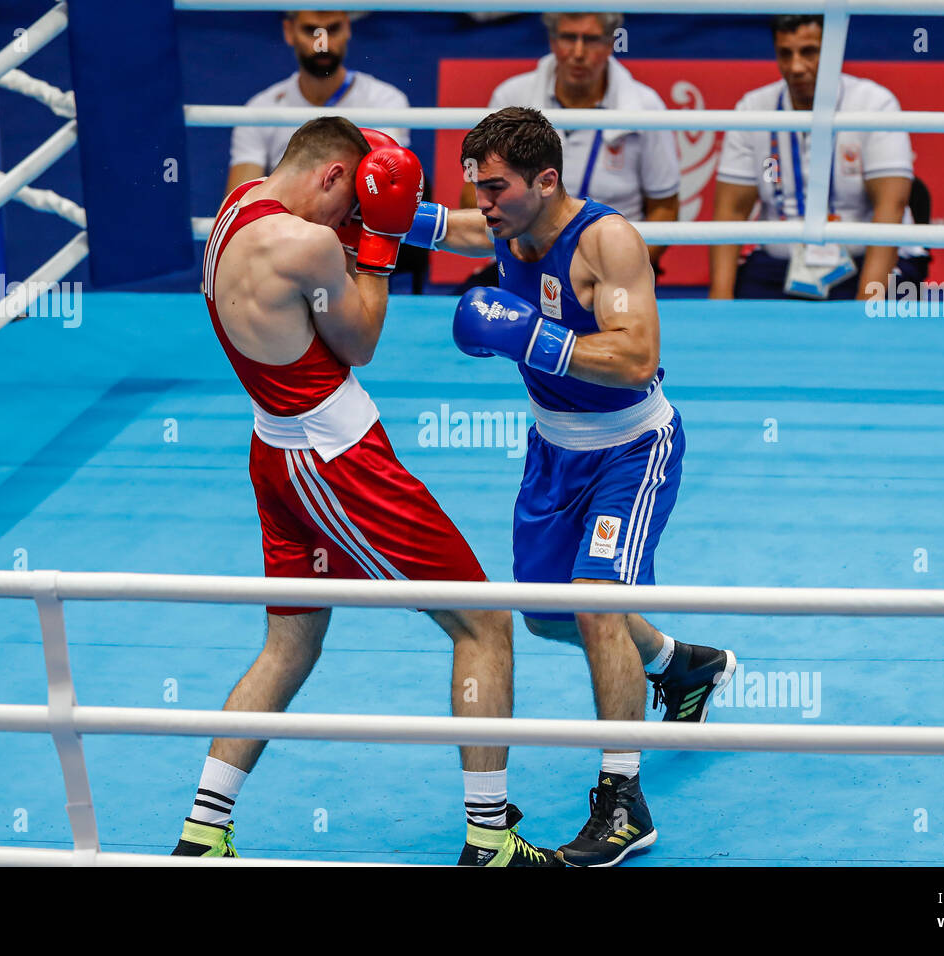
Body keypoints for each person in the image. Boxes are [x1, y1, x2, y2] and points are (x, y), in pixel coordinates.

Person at [174, 117, 557, 867]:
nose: (349, 219)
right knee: (483, 622)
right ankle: (491, 842)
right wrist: (378, 244)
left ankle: (203, 831)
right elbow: (363, 340)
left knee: (290, 643)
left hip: (275, 453)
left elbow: (430, 226)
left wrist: (505, 220)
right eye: (350, 202)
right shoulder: (308, 244)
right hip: (336, 462)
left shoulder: (242, 210)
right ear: (328, 177)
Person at [404, 107, 736, 867]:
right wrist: (386, 219)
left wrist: (530, 337)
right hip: (554, 453)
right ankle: (681, 664)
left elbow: (633, 358)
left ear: (546, 179)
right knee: (552, 619)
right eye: (476, 189)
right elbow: (457, 230)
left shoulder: (606, 241)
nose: (483, 203)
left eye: (496, 188)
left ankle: (623, 802)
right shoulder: (504, 222)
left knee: (595, 605)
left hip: (630, 448)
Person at [709, 14, 929, 301]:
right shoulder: (753, 108)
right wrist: (720, 306)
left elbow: (890, 208)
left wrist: (864, 311)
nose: (796, 66)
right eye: (785, 54)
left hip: (868, 263)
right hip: (782, 267)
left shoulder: (876, 104)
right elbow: (731, 212)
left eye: (809, 52)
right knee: (741, 331)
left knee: (880, 319)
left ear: (835, 49)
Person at [458, 12, 680, 279]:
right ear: (552, 41)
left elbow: (664, 207)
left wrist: (625, 267)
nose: (578, 52)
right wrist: (511, 252)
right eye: (567, 38)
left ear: (611, 43)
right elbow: (474, 193)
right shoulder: (511, 96)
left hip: (606, 265)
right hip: (522, 259)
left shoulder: (645, 107)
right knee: (469, 311)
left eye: (591, 40)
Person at [225, 10, 410, 195]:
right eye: (311, 30)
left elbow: (385, 192)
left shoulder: (385, 101)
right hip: (284, 220)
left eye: (333, 29)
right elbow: (241, 205)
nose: (323, 43)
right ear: (289, 32)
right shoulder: (260, 109)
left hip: (357, 220)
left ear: (347, 28)